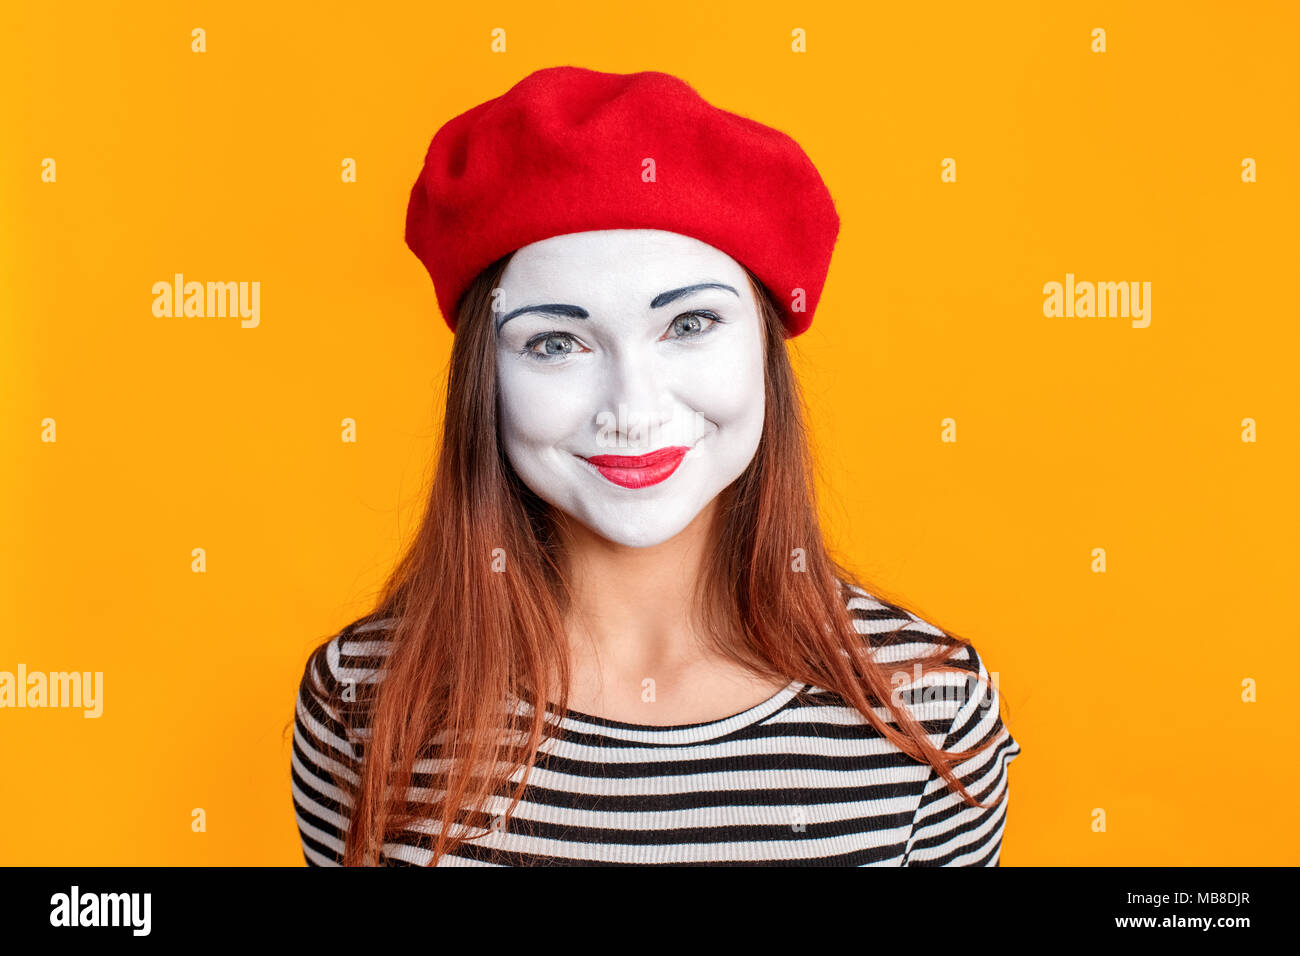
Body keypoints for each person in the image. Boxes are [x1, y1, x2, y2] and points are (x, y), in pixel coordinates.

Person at [290, 65, 1020, 866]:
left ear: (764, 354)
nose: (631, 408)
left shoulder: (927, 710)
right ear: (485, 381)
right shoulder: (362, 697)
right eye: (555, 343)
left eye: (691, 322)